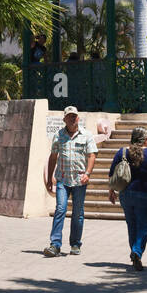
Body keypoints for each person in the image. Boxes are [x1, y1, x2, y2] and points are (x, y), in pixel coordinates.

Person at [108, 126, 147, 270]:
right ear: (145, 140)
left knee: (132, 226)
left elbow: (112, 172)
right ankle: (137, 251)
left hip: (126, 194)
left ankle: (135, 256)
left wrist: (111, 191)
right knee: (145, 227)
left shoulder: (122, 152)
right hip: (145, 194)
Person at [44, 106, 95, 257]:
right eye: (69, 117)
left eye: (74, 116)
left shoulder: (86, 135)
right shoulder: (58, 136)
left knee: (78, 213)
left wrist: (88, 173)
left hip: (80, 179)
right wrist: (49, 178)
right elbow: (53, 157)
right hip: (63, 179)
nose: (72, 119)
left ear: (78, 118)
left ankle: (75, 244)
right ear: (64, 119)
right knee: (60, 209)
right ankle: (55, 244)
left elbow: (92, 155)